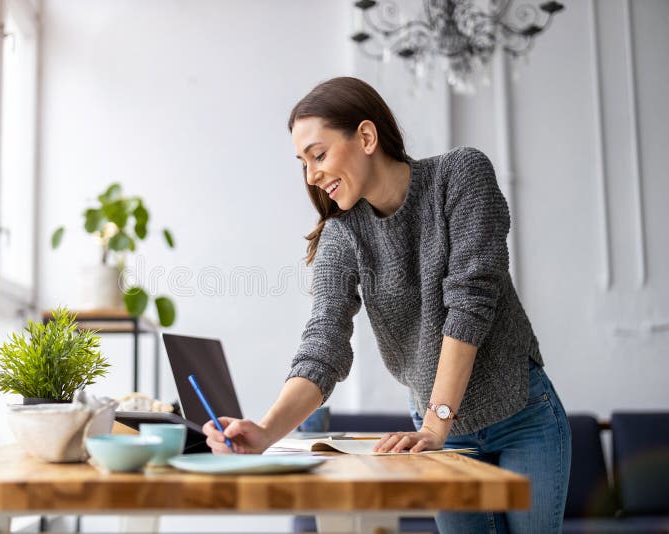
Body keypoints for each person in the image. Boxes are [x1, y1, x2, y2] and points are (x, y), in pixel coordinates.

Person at [201, 76, 571, 533]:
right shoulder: (343, 234)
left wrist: (436, 426)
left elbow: (470, 303)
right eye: (303, 162)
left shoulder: (461, 175)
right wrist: (265, 431)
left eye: (318, 154)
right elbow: (324, 344)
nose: (311, 174)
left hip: (521, 415)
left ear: (367, 136)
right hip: (439, 435)